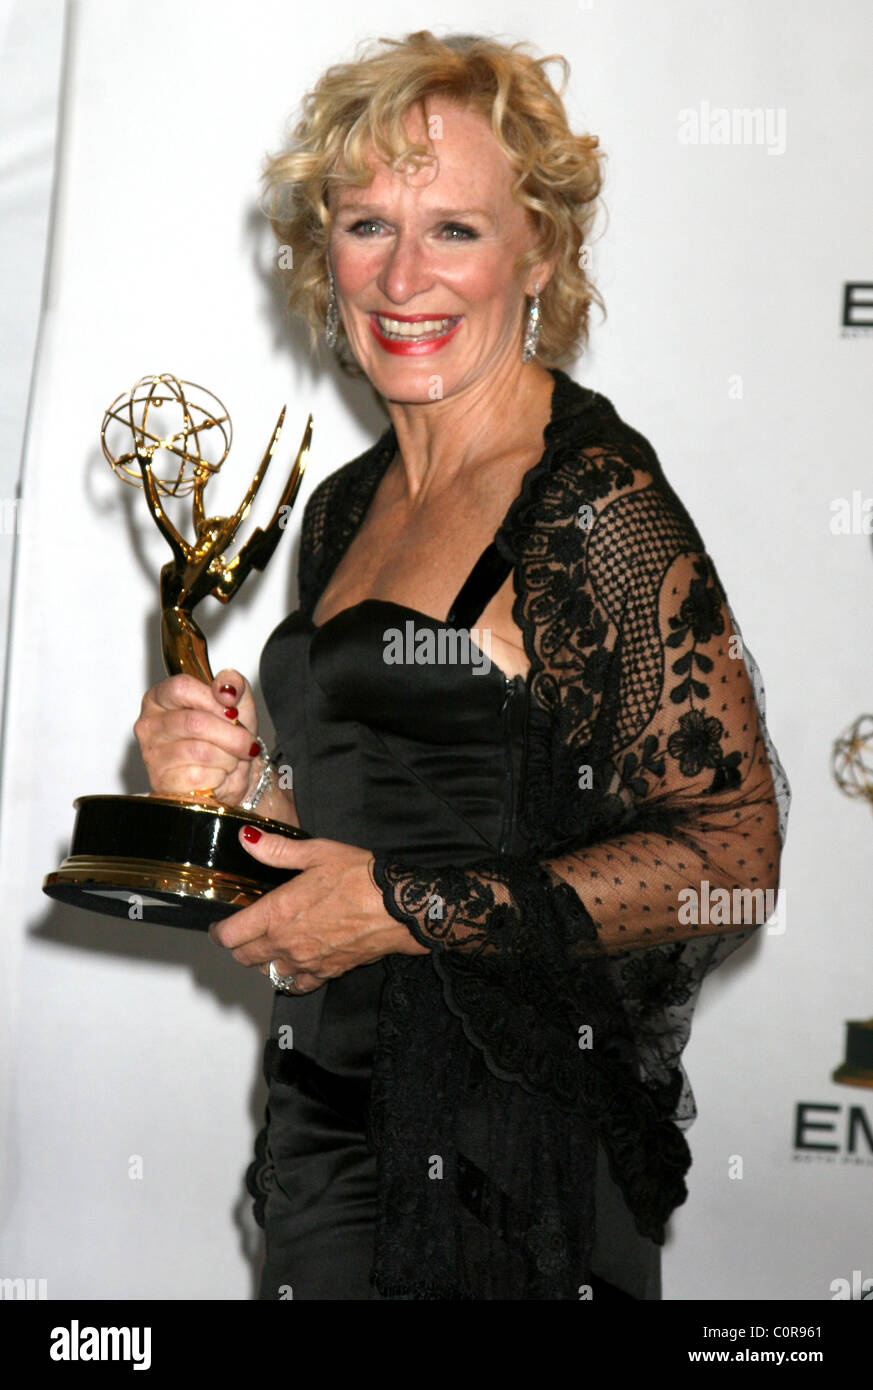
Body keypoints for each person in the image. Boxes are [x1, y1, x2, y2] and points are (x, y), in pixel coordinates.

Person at [133, 31, 790, 1300]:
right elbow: (354, 827)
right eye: (368, 224)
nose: (402, 276)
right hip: (327, 1120)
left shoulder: (592, 500)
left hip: (507, 1147)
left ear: (538, 251)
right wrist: (231, 786)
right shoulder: (341, 506)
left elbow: (732, 859)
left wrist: (398, 910)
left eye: (457, 230)